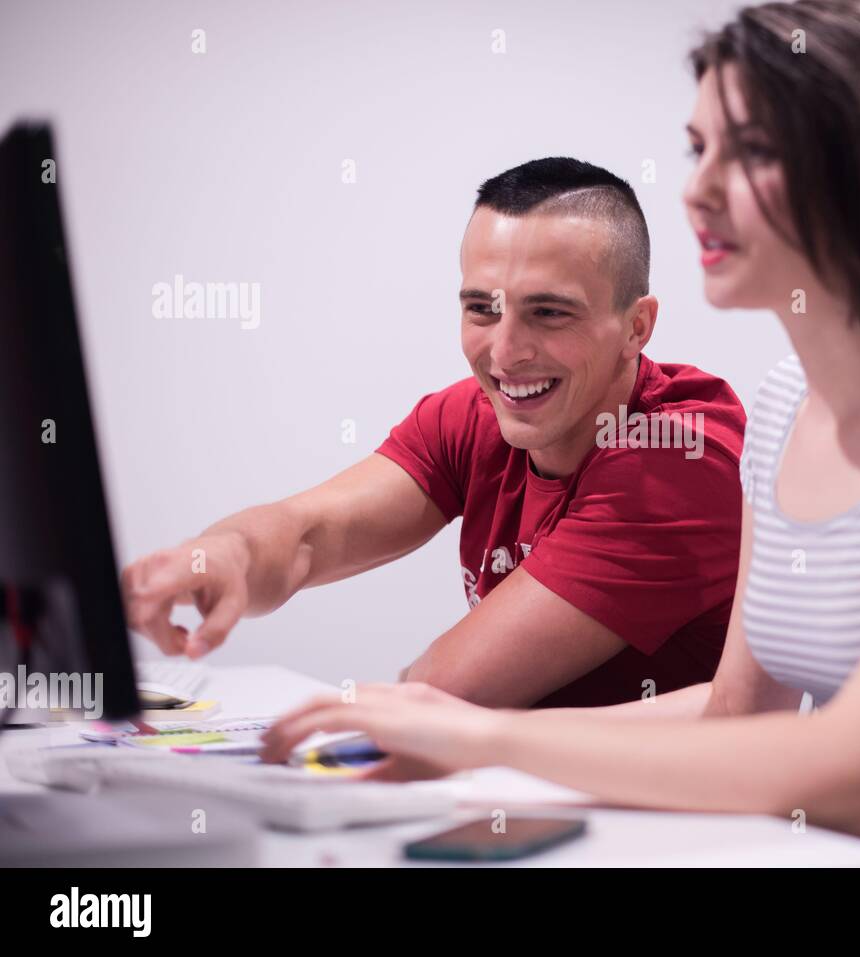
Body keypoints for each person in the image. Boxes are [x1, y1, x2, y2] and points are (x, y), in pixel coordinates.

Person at [262, 0, 860, 867]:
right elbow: (739, 715)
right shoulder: (788, 402)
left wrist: (492, 742)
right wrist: (465, 734)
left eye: (750, 151)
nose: (695, 189)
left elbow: (855, 775)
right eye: (699, 147)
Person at [122, 158, 746, 709]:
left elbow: (438, 694)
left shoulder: (680, 455)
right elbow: (310, 535)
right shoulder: (478, 413)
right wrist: (223, 554)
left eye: (548, 312)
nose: (504, 353)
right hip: (531, 805)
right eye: (482, 308)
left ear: (637, 327)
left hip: (675, 831)